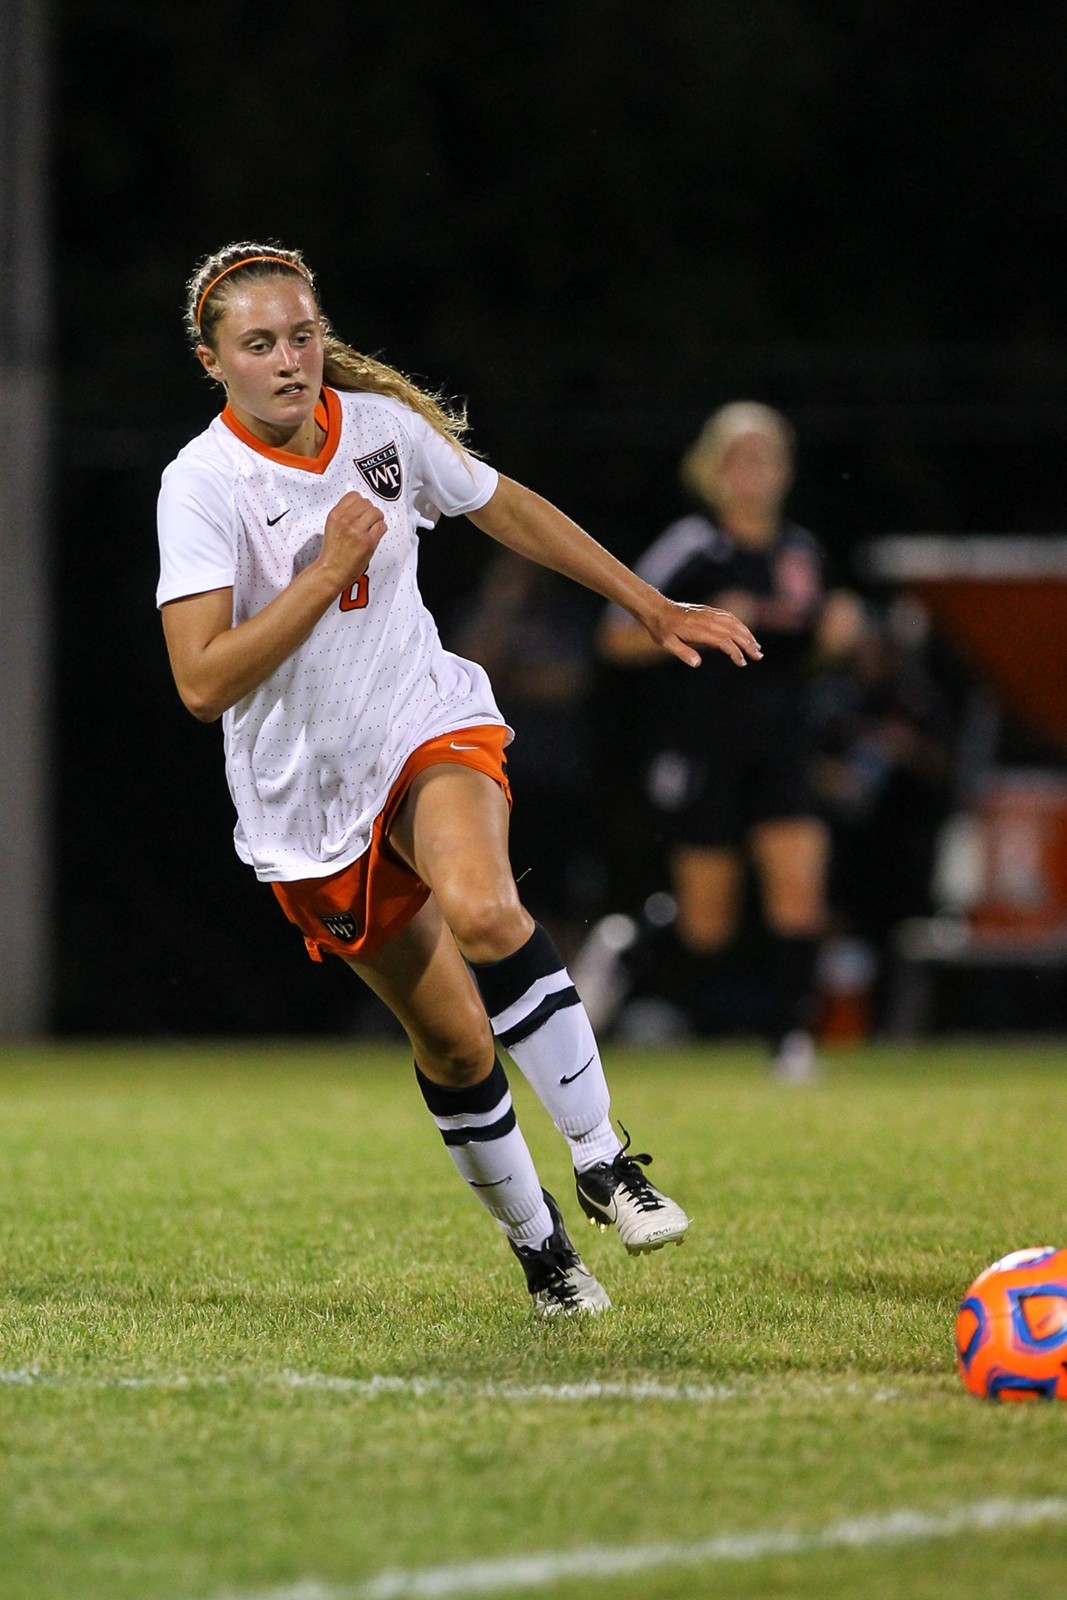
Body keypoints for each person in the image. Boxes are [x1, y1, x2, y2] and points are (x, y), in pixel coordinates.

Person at [155, 242, 763, 1318]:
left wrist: (647, 603)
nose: (291, 360)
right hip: (306, 800)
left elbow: (505, 504)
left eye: (302, 335)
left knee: (487, 905)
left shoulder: (381, 433)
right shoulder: (202, 486)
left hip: (423, 720)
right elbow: (202, 683)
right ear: (214, 363)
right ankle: (544, 1257)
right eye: (260, 345)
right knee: (452, 1039)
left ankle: (602, 1157)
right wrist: (326, 574)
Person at [599, 402, 861, 1080]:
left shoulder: (800, 554)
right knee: (704, 926)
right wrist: (690, 625)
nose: (754, 473)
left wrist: (838, 640)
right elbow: (616, 636)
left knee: (797, 888)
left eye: (766, 459)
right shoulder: (692, 547)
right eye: (739, 459)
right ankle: (629, 951)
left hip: (780, 744)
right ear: (713, 471)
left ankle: (789, 1042)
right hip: (704, 744)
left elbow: (808, 649)